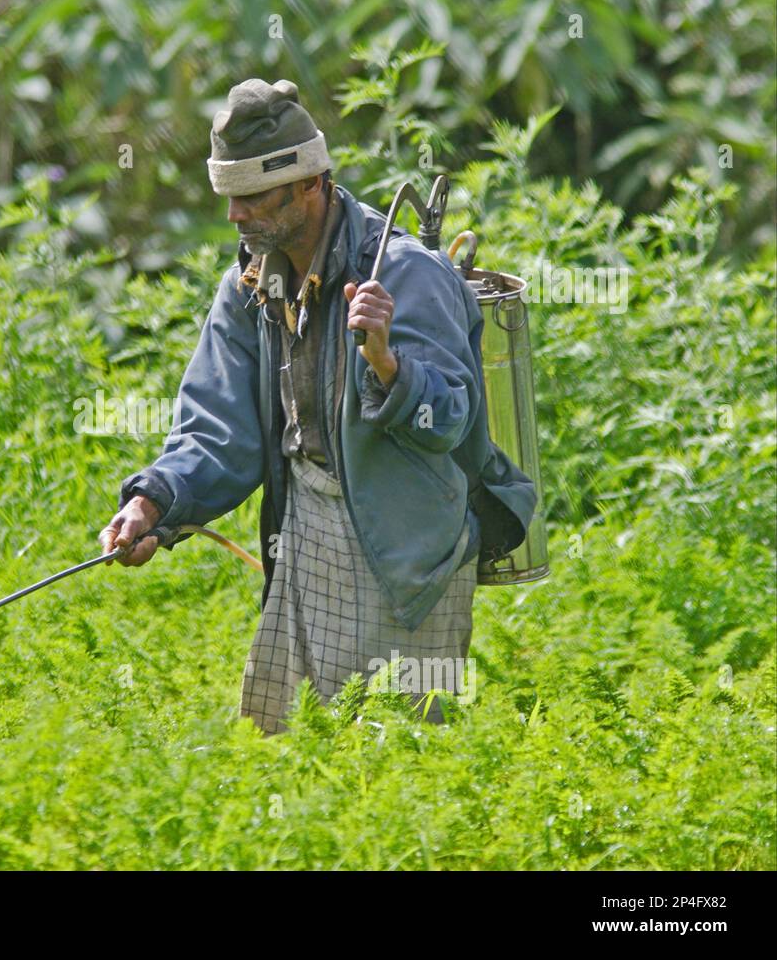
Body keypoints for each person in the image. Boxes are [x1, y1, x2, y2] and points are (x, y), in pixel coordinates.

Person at [98, 78, 535, 735]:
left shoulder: (407, 273)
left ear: (312, 183)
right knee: (283, 744)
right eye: (229, 198)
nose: (235, 216)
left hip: (410, 551)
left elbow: (449, 420)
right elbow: (219, 428)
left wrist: (387, 363)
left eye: (252, 197)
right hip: (304, 534)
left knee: (399, 757)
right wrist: (154, 501)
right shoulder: (254, 281)